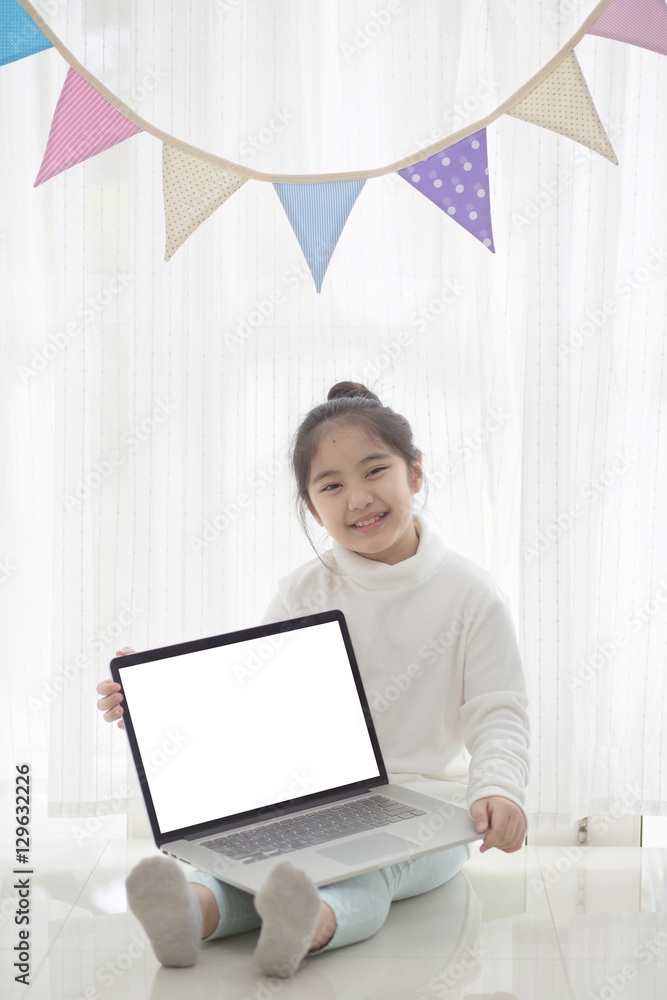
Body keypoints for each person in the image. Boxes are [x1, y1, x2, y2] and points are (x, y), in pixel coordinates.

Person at [96, 381, 530, 979]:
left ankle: (313, 922)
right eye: (331, 485)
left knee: (369, 869)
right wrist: (154, 698)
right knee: (251, 863)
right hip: (316, 801)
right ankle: (191, 912)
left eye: (375, 470)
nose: (358, 498)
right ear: (311, 504)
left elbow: (497, 710)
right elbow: (253, 706)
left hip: (432, 808)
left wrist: (499, 788)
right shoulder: (301, 593)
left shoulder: (471, 595)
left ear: (416, 473)